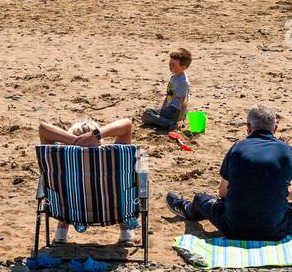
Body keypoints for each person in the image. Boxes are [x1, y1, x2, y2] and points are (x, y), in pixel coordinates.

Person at [166, 105, 292, 241]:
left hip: (234, 228)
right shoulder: (287, 151)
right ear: (275, 129)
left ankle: (186, 210)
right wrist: (285, 194)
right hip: (275, 229)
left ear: (248, 127)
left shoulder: (237, 149)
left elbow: (223, 194)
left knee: (200, 199)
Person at [37, 118, 137, 246]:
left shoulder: (60, 161)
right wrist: (96, 134)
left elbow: (43, 128)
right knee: (119, 187)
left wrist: (73, 141)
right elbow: (127, 124)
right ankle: (126, 232)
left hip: (71, 212)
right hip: (111, 211)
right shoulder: (114, 157)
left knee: (65, 188)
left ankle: (61, 233)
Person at [141, 48, 191, 131]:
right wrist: (163, 108)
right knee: (146, 117)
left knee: (148, 113)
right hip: (170, 109)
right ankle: (166, 122)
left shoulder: (182, 81)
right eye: (169, 64)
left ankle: (172, 124)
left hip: (176, 111)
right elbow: (169, 95)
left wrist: (180, 119)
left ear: (183, 67)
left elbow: (184, 102)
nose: (170, 66)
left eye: (173, 64)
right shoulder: (173, 77)